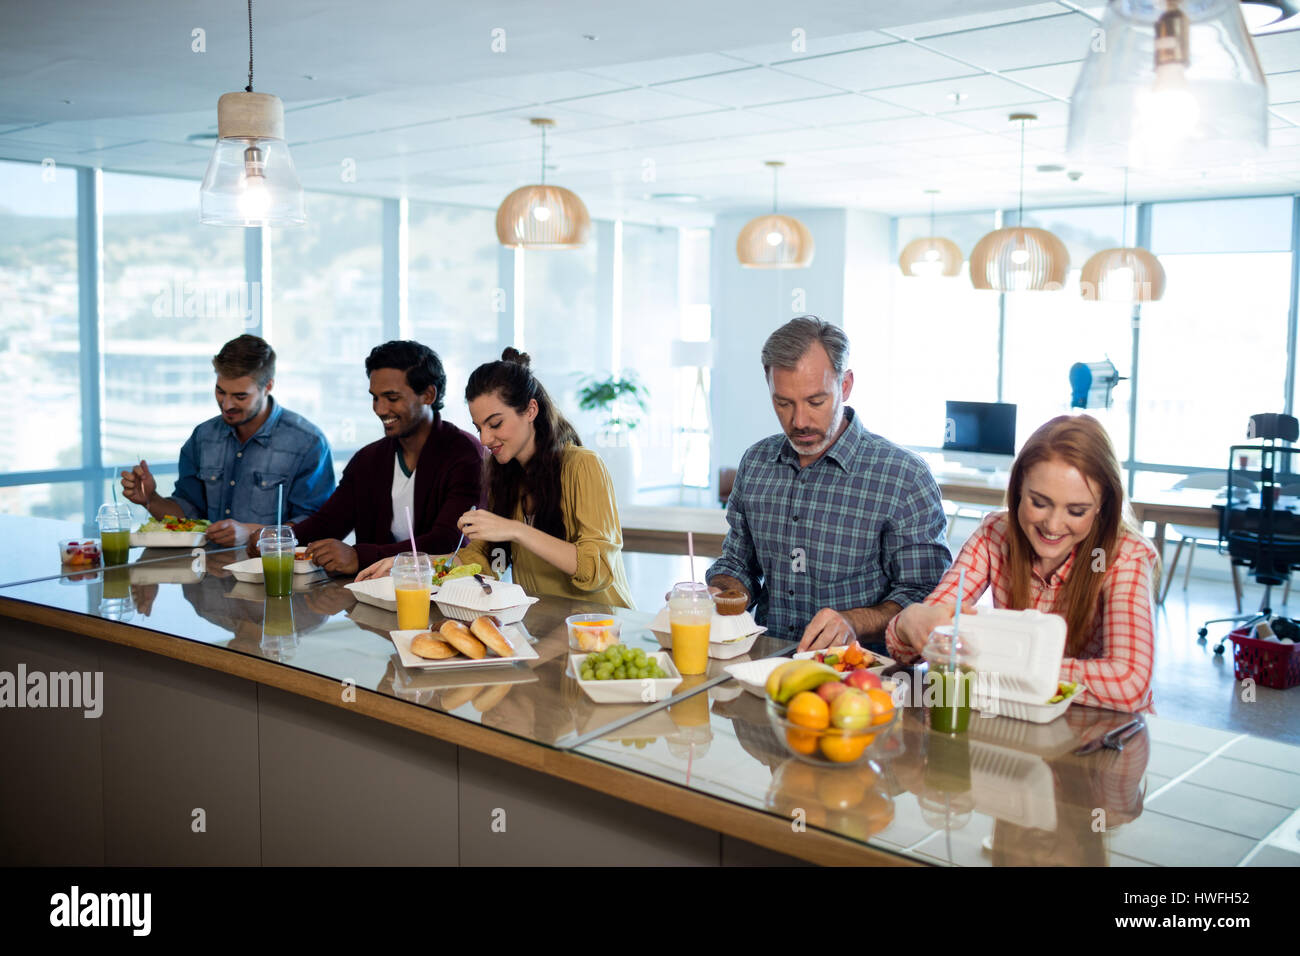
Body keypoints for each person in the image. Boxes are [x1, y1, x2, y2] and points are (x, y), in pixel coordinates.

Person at [705, 316, 950, 651]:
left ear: (845, 385)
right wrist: (721, 593)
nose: (799, 421)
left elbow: (926, 597)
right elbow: (738, 563)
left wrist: (853, 622)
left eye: (815, 401)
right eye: (783, 403)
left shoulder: (904, 477)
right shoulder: (756, 463)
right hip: (765, 670)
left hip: (862, 682)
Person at [885, 414, 1158, 714]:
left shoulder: (1123, 556)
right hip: (1019, 716)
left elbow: (1131, 683)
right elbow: (907, 644)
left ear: (1101, 507)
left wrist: (1007, 665)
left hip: (1101, 730)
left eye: (1077, 511)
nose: (1053, 525)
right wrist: (910, 620)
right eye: (1039, 503)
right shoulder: (995, 533)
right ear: (1018, 491)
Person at [358, 348, 634, 608]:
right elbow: (480, 561)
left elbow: (596, 569)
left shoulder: (583, 465)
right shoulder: (505, 475)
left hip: (602, 628)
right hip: (544, 630)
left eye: (496, 423)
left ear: (530, 411)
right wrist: (413, 564)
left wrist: (515, 530)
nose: (485, 439)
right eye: (479, 427)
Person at [281, 340, 484, 575]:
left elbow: (447, 542)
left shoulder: (465, 454)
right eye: (375, 397)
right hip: (374, 596)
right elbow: (329, 522)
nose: (379, 408)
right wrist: (279, 539)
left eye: (392, 398)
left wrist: (360, 556)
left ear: (428, 395)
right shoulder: (368, 459)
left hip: (444, 598)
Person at [120, 334, 334, 546]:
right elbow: (189, 519)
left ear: (267, 387)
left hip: (273, 576)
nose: (226, 405)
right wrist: (151, 499)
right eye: (220, 391)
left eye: (240, 396)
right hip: (207, 574)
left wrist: (254, 534)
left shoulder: (307, 443)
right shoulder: (203, 437)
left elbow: (317, 527)